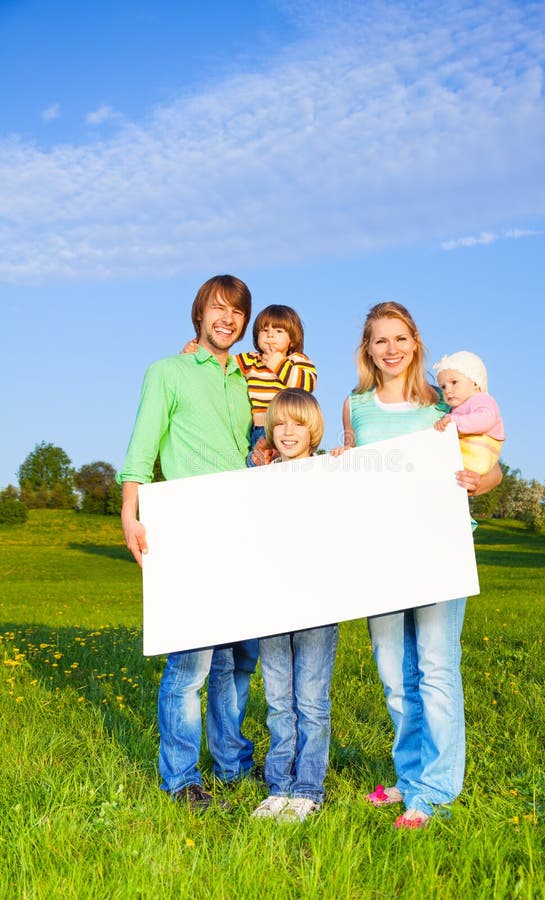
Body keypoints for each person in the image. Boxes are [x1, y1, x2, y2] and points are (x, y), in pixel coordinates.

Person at [338, 302, 502, 829]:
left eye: (400, 338)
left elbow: (490, 462)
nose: (391, 349)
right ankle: (408, 778)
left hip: (438, 547)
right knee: (392, 674)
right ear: (368, 348)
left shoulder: (444, 402)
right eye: (380, 340)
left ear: (416, 343)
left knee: (435, 667)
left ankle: (434, 791)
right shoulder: (355, 405)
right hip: (377, 553)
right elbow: (349, 468)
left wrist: (482, 482)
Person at [117, 274, 260, 811]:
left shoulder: (246, 380)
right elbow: (142, 443)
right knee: (192, 664)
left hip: (241, 527)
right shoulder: (167, 371)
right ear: (199, 314)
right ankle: (181, 780)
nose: (227, 319)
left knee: (236, 659)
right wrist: (130, 512)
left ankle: (232, 765)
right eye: (218, 309)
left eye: (237, 312)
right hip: (189, 528)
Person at [251, 389, 338, 822]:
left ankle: (308, 788)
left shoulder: (329, 471)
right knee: (278, 700)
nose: (288, 432)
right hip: (271, 601)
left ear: (313, 430)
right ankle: (278, 786)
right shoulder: (258, 477)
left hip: (317, 603)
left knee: (311, 701)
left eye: (297, 424)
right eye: (280, 424)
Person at [182, 304, 317, 463]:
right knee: (253, 461)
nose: (270, 336)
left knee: (290, 461)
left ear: (292, 340)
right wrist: (195, 352)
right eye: (265, 330)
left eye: (278, 331)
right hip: (259, 428)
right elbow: (221, 363)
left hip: (288, 427)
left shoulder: (297, 360)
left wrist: (278, 363)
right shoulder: (251, 360)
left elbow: (307, 385)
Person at [433, 350, 505, 474]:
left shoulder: (481, 399)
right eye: (443, 386)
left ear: (476, 383)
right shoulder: (456, 409)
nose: (447, 390)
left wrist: (453, 421)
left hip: (479, 451)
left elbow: (486, 419)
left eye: (454, 382)